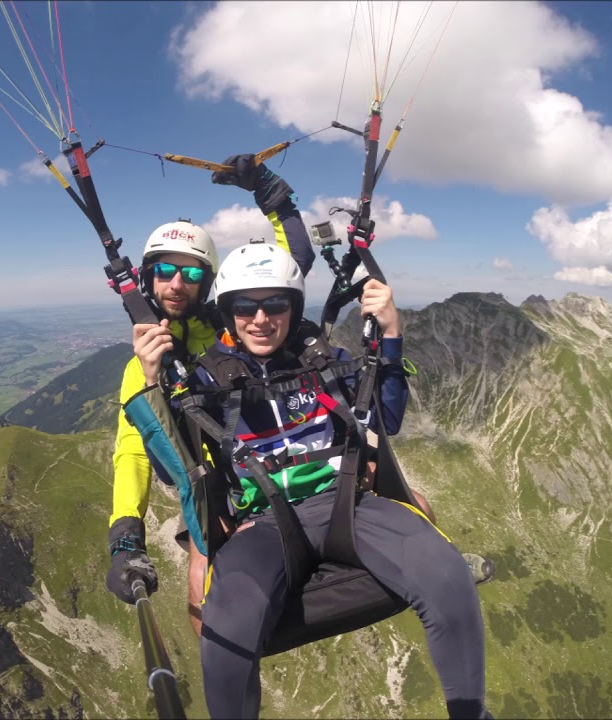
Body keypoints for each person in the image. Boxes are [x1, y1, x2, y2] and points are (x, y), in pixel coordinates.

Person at [141, 242, 491, 719]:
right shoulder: (203, 379)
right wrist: (152, 385)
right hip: (262, 523)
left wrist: (391, 335)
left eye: (275, 304)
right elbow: (172, 471)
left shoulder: (322, 361)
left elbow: (386, 418)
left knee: (449, 578)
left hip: (346, 502)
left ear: (293, 307)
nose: (260, 318)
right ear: (227, 311)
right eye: (245, 306)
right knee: (225, 637)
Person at [104, 156, 316, 611]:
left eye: (194, 273)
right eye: (164, 272)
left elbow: (293, 264)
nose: (177, 284)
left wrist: (268, 190)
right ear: (147, 277)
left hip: (278, 460)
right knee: (203, 603)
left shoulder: (231, 326)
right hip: (217, 491)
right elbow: (135, 449)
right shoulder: (144, 365)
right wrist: (126, 534)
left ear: (209, 284)